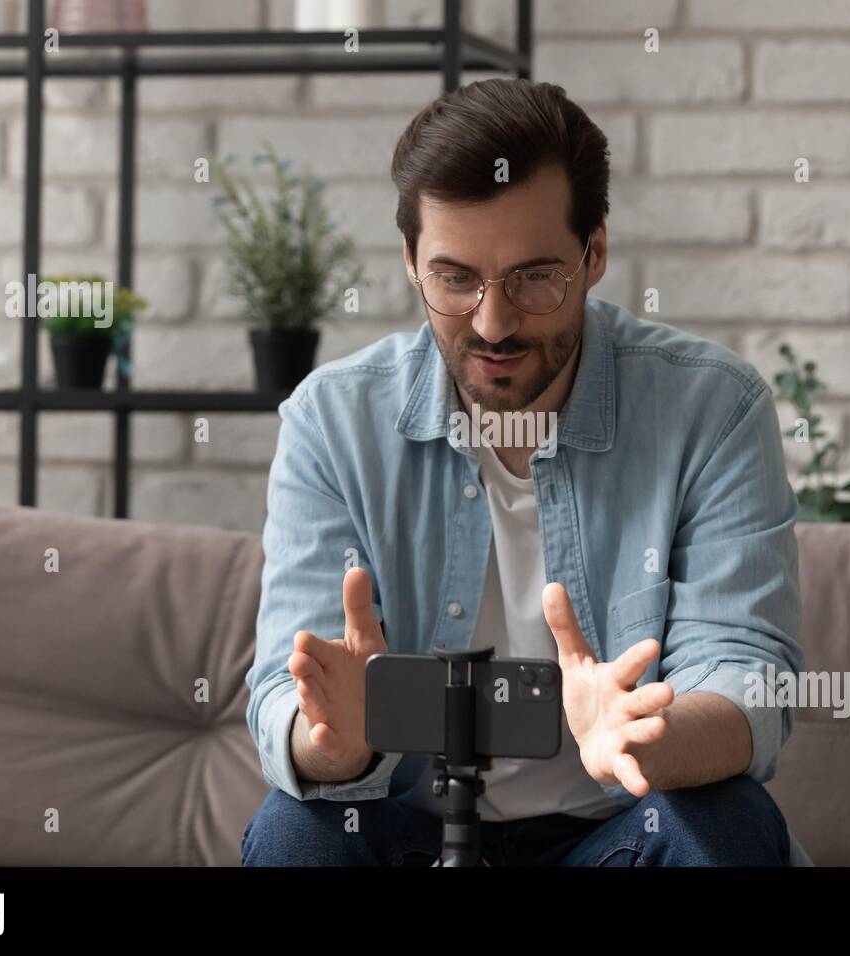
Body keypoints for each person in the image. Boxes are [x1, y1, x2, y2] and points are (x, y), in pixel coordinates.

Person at [242, 77, 806, 866]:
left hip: (615, 832)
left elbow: (745, 672)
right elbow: (287, 691)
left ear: (594, 254)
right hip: (405, 829)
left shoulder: (712, 408)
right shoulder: (331, 422)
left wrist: (647, 737)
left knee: (724, 823)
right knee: (294, 830)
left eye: (535, 277)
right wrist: (335, 745)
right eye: (455, 278)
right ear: (410, 262)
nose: (494, 322)